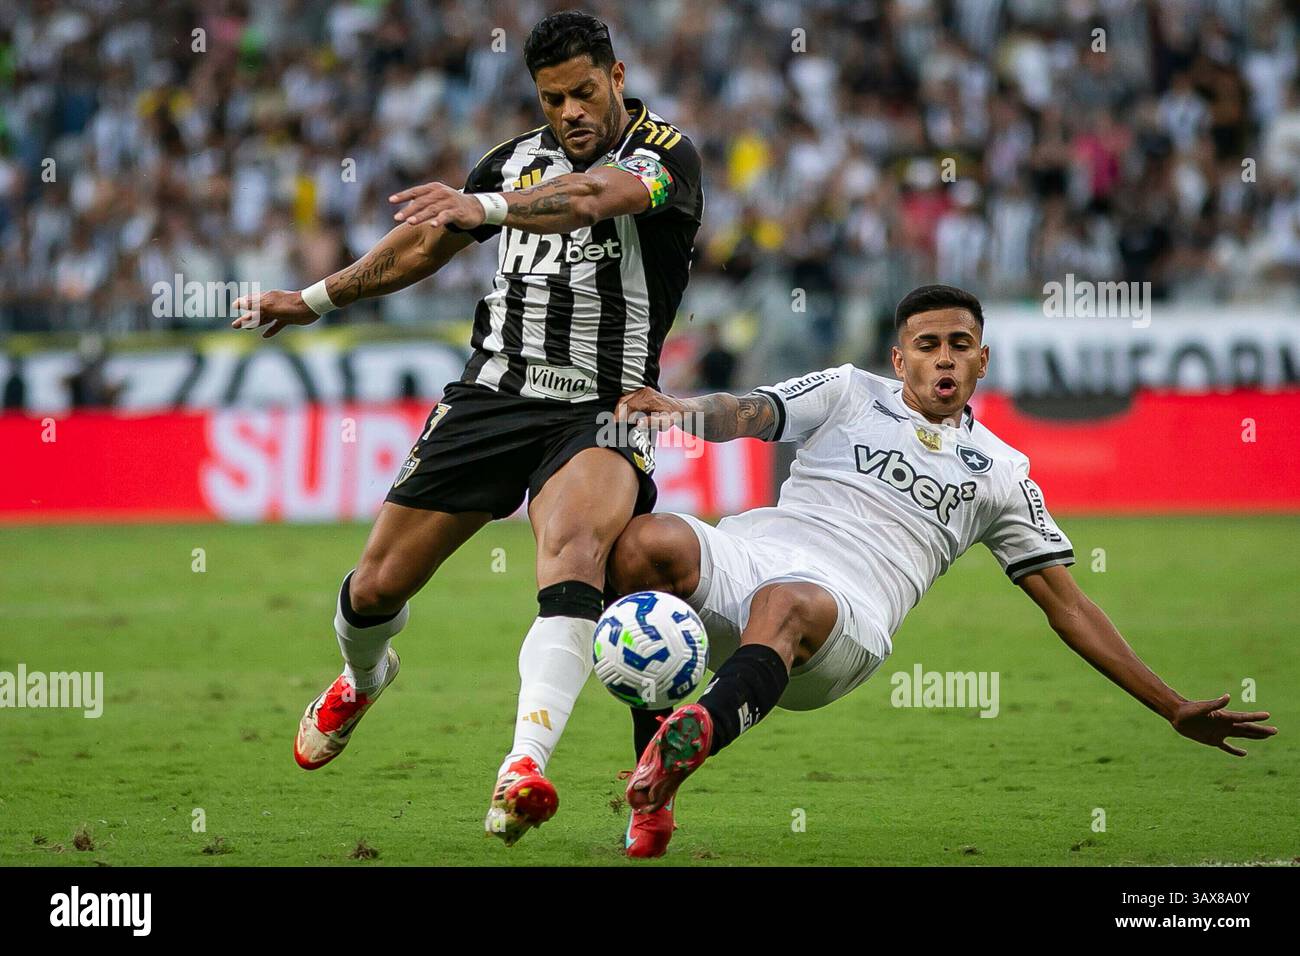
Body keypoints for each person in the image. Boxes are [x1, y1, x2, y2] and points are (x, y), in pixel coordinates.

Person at [229, 11, 702, 847]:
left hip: (604, 405)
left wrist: (483, 205)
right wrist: (308, 302)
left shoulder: (664, 154)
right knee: (375, 589)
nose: (571, 113)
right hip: (492, 395)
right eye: (554, 99)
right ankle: (363, 676)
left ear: (618, 77)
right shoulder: (513, 161)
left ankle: (521, 768)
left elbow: (599, 197)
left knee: (575, 558)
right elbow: (420, 249)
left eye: (585, 92)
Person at [606, 284, 1277, 857]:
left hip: (846, 619)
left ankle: (690, 744)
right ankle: (651, 785)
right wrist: (687, 411)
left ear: (982, 359)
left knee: (787, 600)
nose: (944, 357)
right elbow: (750, 411)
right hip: (757, 555)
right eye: (927, 345)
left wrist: (1169, 706)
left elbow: (1068, 607)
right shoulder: (848, 391)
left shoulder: (1004, 473)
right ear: (900, 359)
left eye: (959, 343)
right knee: (643, 541)